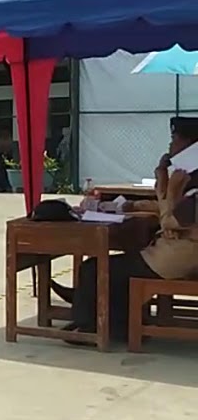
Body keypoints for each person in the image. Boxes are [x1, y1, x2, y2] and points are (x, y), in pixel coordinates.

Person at [52, 117, 198, 341]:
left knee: (95, 268)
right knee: (115, 266)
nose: (169, 146)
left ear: (190, 145)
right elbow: (167, 214)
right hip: (174, 251)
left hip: (177, 258)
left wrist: (167, 187)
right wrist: (133, 205)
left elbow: (171, 220)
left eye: (174, 139)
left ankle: (91, 328)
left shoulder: (191, 183)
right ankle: (101, 314)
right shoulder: (189, 178)